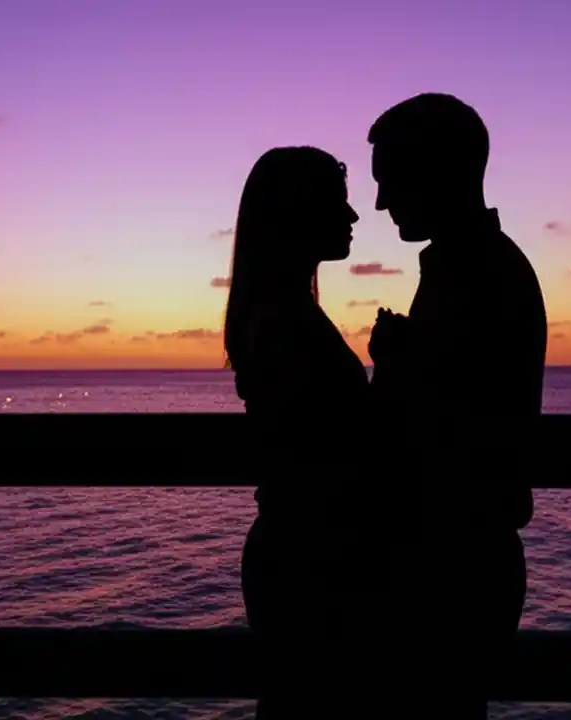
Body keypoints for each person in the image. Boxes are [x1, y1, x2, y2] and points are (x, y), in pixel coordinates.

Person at [366, 92, 548, 716]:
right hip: (461, 562)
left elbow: (447, 427)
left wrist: (396, 364)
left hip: (452, 571)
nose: (382, 202)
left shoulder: (474, 273)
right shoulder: (478, 266)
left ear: (434, 172)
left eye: (390, 180)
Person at [222, 146, 367, 718]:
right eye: (339, 204)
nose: (354, 218)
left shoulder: (278, 313)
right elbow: (323, 442)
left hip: (297, 553)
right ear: (298, 213)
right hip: (308, 561)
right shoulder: (285, 322)